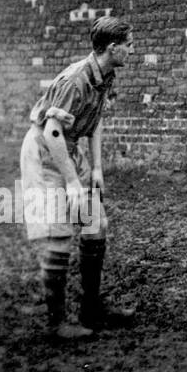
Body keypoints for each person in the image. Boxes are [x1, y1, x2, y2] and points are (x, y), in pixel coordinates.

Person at [20, 17, 136, 341]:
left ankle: (91, 308)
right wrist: (72, 182)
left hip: (68, 148)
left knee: (95, 224)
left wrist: (97, 167)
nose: (132, 50)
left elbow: (95, 122)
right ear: (113, 48)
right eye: (129, 44)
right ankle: (56, 323)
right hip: (46, 152)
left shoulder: (106, 75)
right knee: (58, 233)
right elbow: (52, 131)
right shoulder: (75, 80)